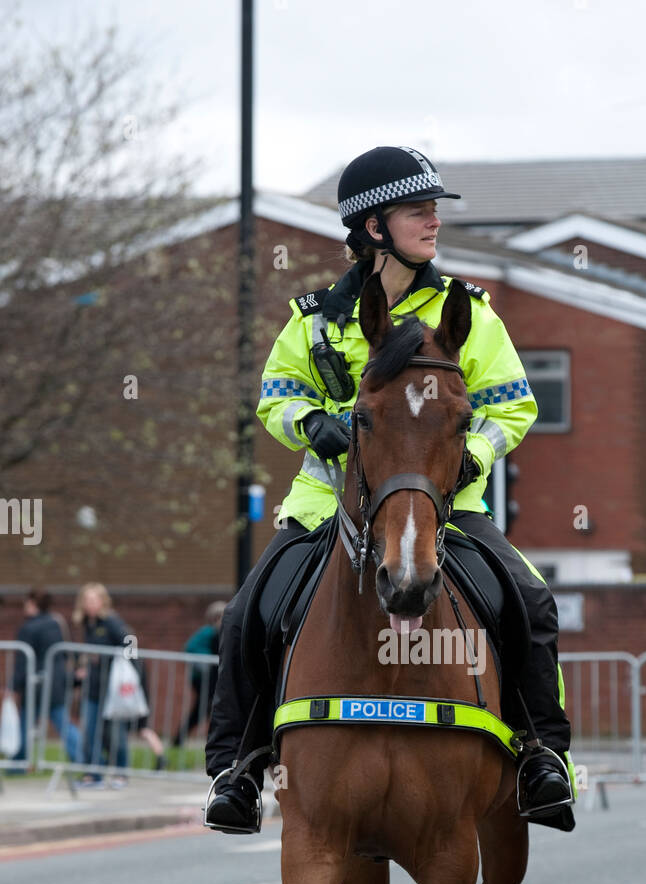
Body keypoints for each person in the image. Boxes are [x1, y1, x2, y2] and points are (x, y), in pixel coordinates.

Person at [204, 145, 577, 834]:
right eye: (417, 210)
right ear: (373, 226)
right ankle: (238, 768)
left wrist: (472, 453)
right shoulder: (314, 317)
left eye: (433, 209)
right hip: (327, 507)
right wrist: (310, 423)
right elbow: (275, 396)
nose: (432, 221)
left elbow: (513, 405)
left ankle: (541, 756)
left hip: (447, 507)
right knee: (244, 614)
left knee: (530, 600)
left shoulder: (471, 313)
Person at [73, 583, 165, 787]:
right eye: (87, 600)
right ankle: (92, 774)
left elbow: (129, 640)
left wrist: (126, 666)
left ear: (102, 601)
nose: (90, 604)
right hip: (94, 687)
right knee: (89, 733)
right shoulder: (89, 624)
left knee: (114, 734)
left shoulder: (111, 621)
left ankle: (121, 773)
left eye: (94, 600)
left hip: (112, 689)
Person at [11, 591, 83, 767]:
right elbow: (69, 649)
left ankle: (18, 764)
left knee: (25, 724)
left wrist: (13, 686)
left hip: (34, 684)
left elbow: (22, 660)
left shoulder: (28, 628)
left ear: (33, 604)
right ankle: (84, 758)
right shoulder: (57, 623)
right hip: (57, 682)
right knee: (63, 723)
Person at [173, 602, 225, 747]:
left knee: (206, 710)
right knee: (203, 710)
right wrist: (207, 659)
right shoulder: (208, 632)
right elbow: (189, 647)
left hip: (208, 678)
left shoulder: (215, 633)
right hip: (203, 679)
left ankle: (180, 739)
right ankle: (179, 739)